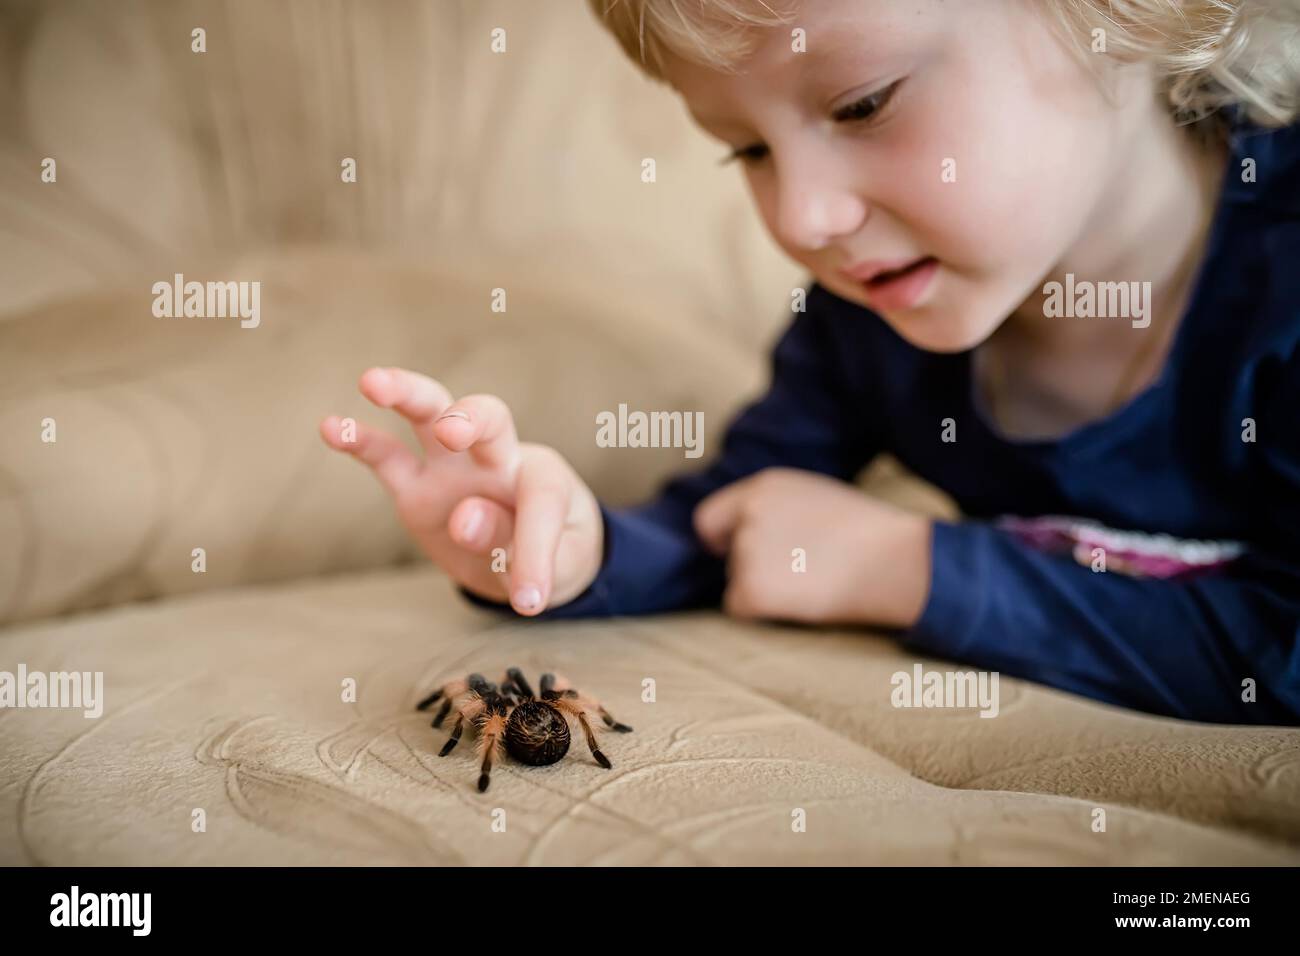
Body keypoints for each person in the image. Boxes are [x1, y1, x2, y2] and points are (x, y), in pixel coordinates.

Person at [321, 0, 1300, 725]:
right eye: (744, 148)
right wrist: (568, 547)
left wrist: (913, 570)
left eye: (863, 103)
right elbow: (740, 516)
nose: (800, 218)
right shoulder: (864, 317)